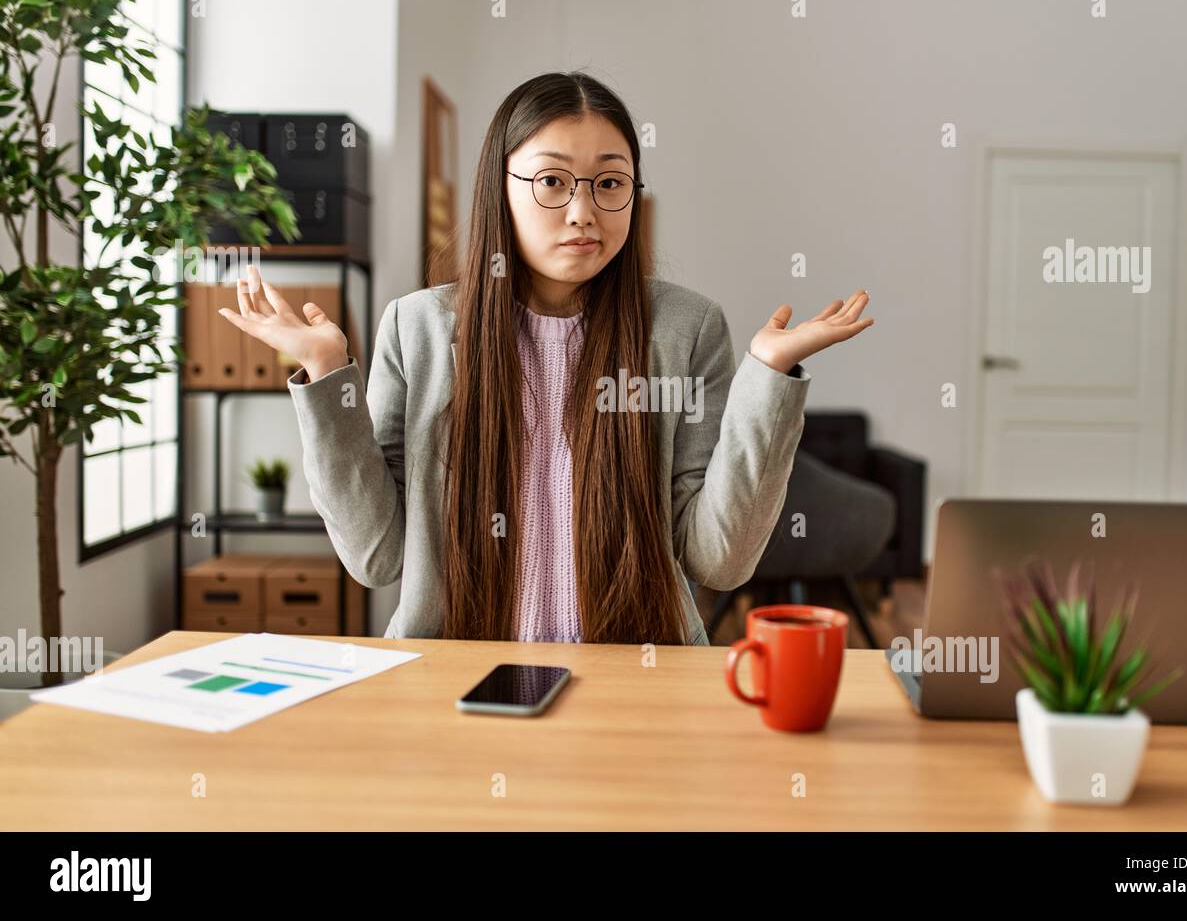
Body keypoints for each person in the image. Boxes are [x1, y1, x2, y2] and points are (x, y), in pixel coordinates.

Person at [217, 71, 873, 644]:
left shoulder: (686, 328)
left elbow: (720, 562)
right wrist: (330, 374)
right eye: (553, 181)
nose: (584, 211)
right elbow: (377, 557)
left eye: (610, 182)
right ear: (499, 185)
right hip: (455, 680)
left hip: (637, 682)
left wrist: (769, 379)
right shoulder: (415, 328)